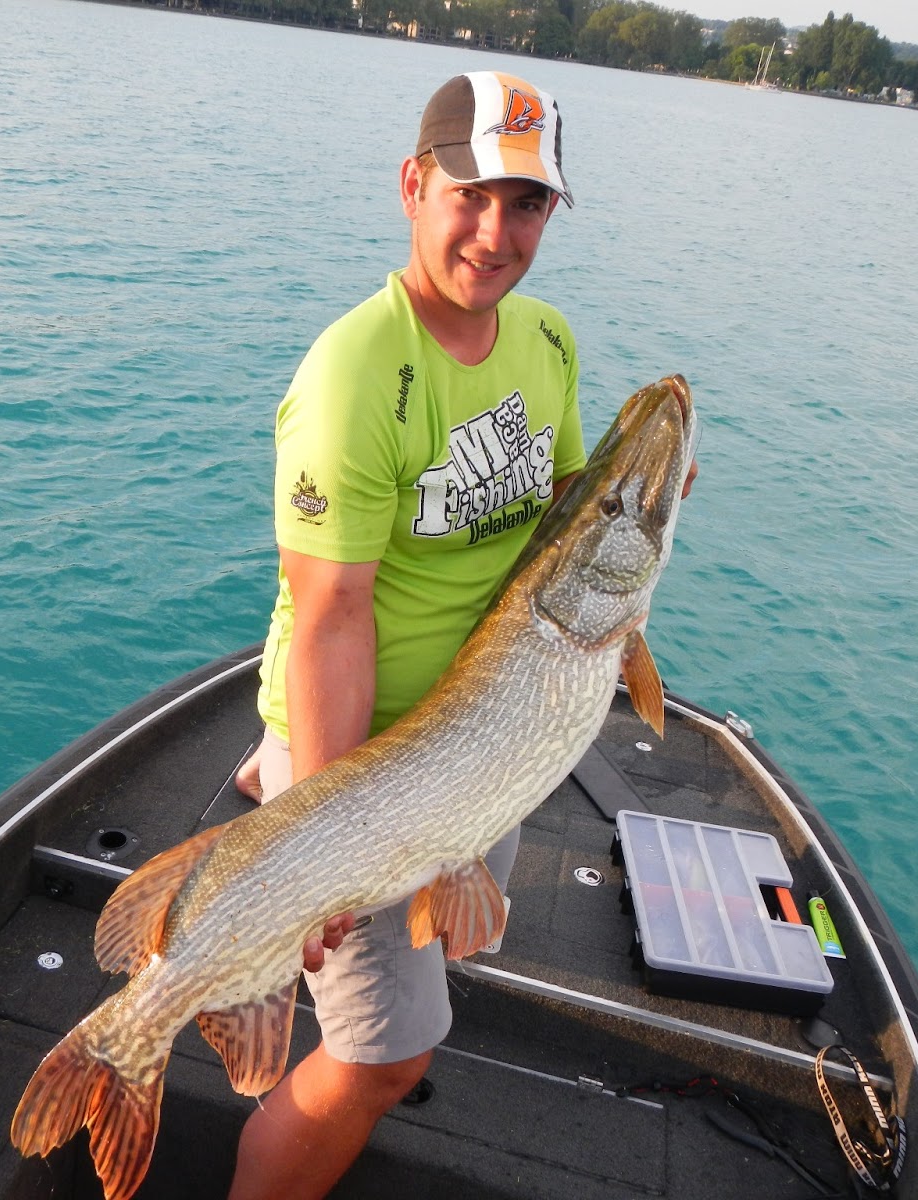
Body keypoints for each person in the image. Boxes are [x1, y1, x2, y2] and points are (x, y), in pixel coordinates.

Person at [228, 70, 691, 1200]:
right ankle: (275, 780)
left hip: (482, 743)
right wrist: (318, 846)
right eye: (469, 194)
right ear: (412, 185)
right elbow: (331, 617)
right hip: (366, 750)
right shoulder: (351, 377)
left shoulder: (546, 341)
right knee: (385, 1058)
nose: (495, 232)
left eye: (526, 203)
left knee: (426, 966)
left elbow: (567, 506)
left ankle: (274, 792)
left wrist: (651, 505)